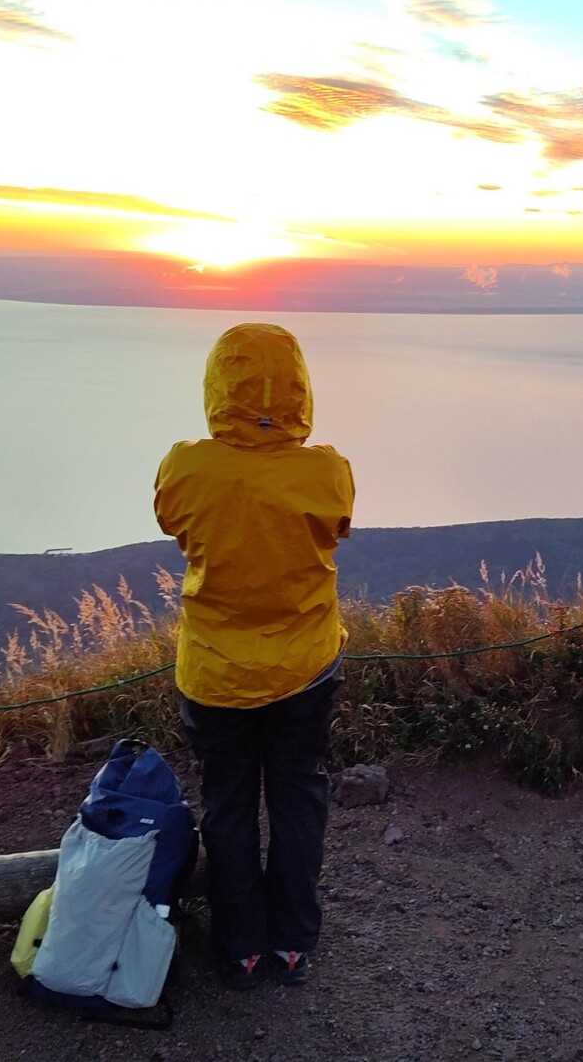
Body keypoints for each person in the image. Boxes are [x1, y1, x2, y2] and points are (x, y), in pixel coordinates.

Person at [154, 322, 355, 990]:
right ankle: (294, 942)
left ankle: (240, 946)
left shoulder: (186, 468)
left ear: (218, 385)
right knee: (299, 796)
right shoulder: (326, 471)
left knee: (228, 802)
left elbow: (172, 518)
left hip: (214, 673)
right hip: (304, 667)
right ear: (300, 387)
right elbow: (336, 525)